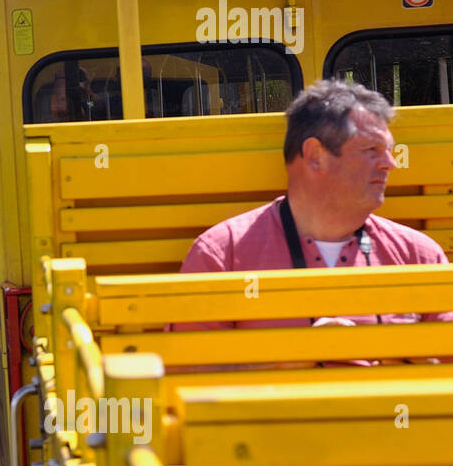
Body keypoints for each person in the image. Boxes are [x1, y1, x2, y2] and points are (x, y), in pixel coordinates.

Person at [172, 79, 452, 357]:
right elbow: (186, 373)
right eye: (371, 150)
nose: (390, 163)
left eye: (389, 150)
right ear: (315, 156)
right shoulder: (223, 255)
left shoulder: (419, 256)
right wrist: (295, 358)